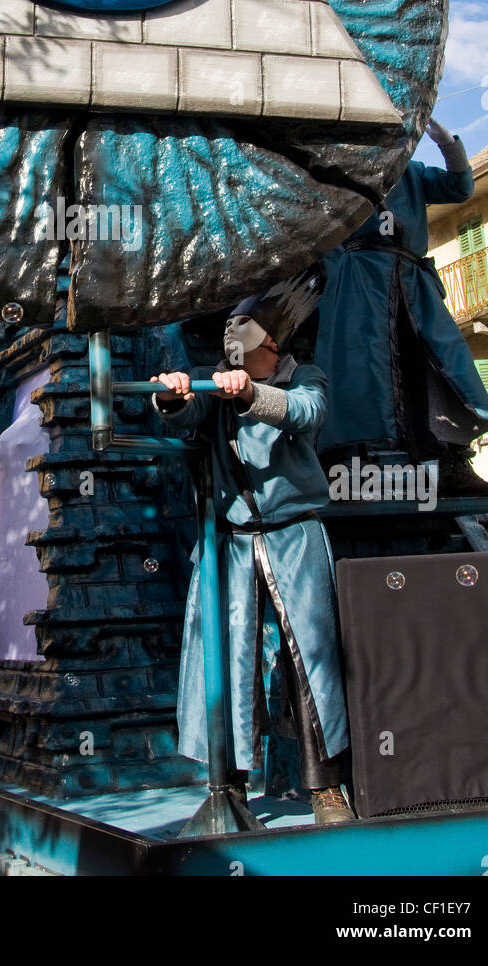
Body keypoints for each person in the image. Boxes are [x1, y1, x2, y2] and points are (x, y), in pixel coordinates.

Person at [152, 303, 354, 826]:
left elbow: (307, 411)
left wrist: (249, 394)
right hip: (233, 543)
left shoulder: (303, 376)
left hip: (295, 537)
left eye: (265, 345)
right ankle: (229, 786)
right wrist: (172, 393)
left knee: (311, 663)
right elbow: (184, 412)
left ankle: (327, 790)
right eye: (255, 347)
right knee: (227, 661)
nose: (268, 350)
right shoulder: (213, 383)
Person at [314, 120, 488, 495]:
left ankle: (451, 459)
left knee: (438, 364)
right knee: (358, 370)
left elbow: (460, 187)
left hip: (412, 284)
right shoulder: (336, 176)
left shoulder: (412, 172)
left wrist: (449, 146)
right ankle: (349, 462)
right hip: (359, 286)